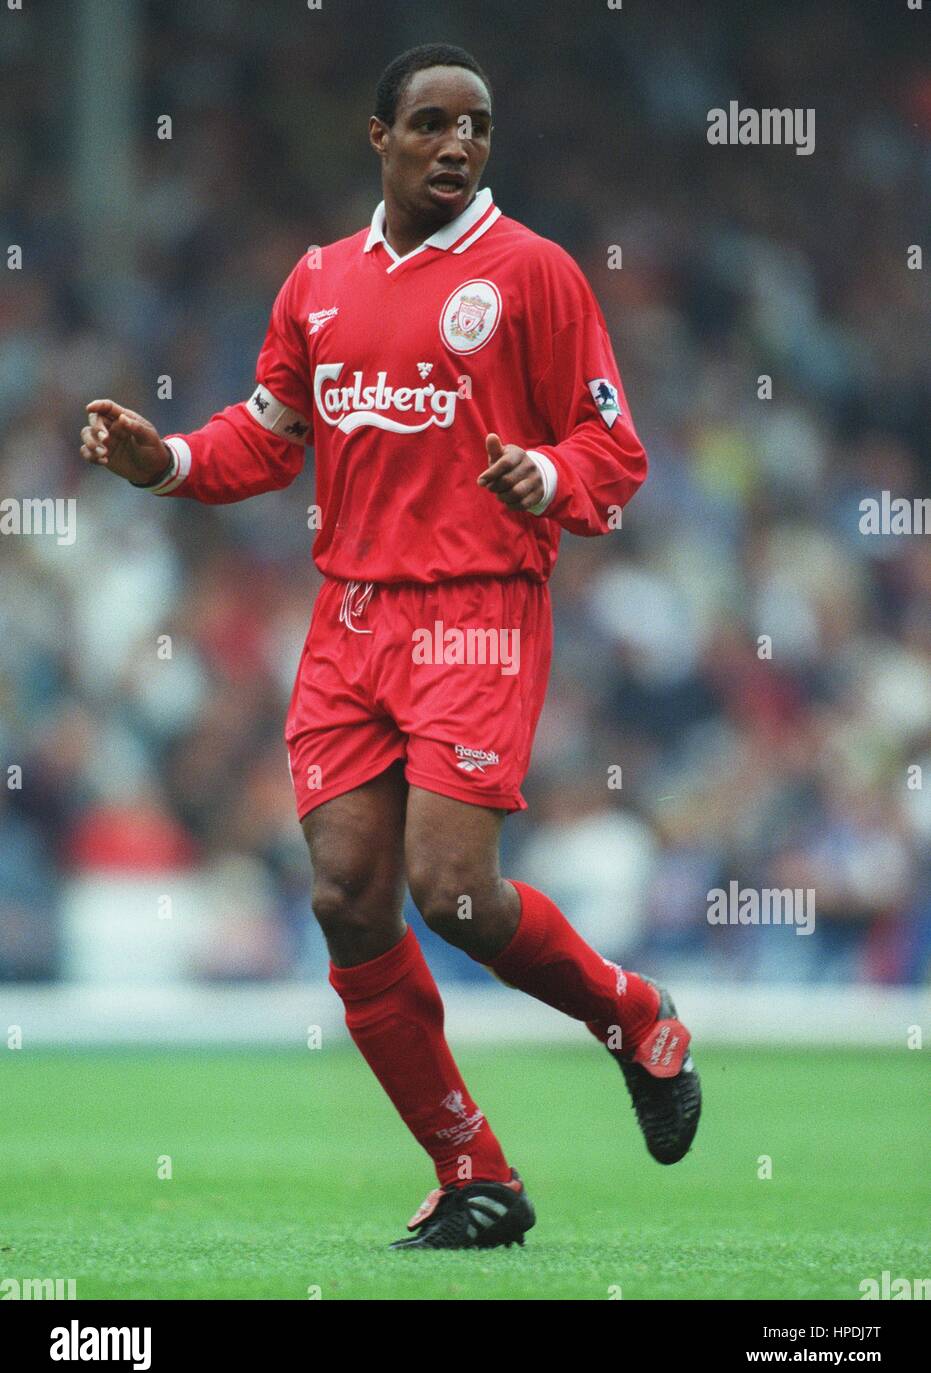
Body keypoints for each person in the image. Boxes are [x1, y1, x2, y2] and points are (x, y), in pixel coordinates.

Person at [80, 43, 700, 1250]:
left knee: (453, 891)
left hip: (475, 610)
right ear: (379, 138)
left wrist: (549, 471)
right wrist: (164, 462)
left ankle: (631, 1014)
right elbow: (267, 437)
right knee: (345, 896)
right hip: (349, 619)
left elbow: (614, 454)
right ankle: (474, 1172)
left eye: (474, 127)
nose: (456, 145)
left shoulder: (535, 275)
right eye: (430, 123)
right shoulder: (317, 280)